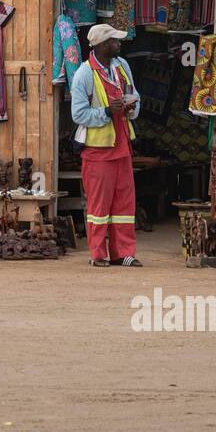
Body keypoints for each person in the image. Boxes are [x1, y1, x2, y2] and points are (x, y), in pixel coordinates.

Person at [70, 23, 142, 267]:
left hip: (121, 145)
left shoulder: (122, 67)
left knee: (124, 202)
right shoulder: (83, 74)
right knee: (99, 206)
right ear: (102, 45)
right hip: (97, 151)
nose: (119, 44)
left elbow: (135, 95)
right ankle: (98, 254)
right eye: (114, 41)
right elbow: (78, 115)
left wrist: (132, 108)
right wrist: (107, 112)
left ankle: (124, 253)